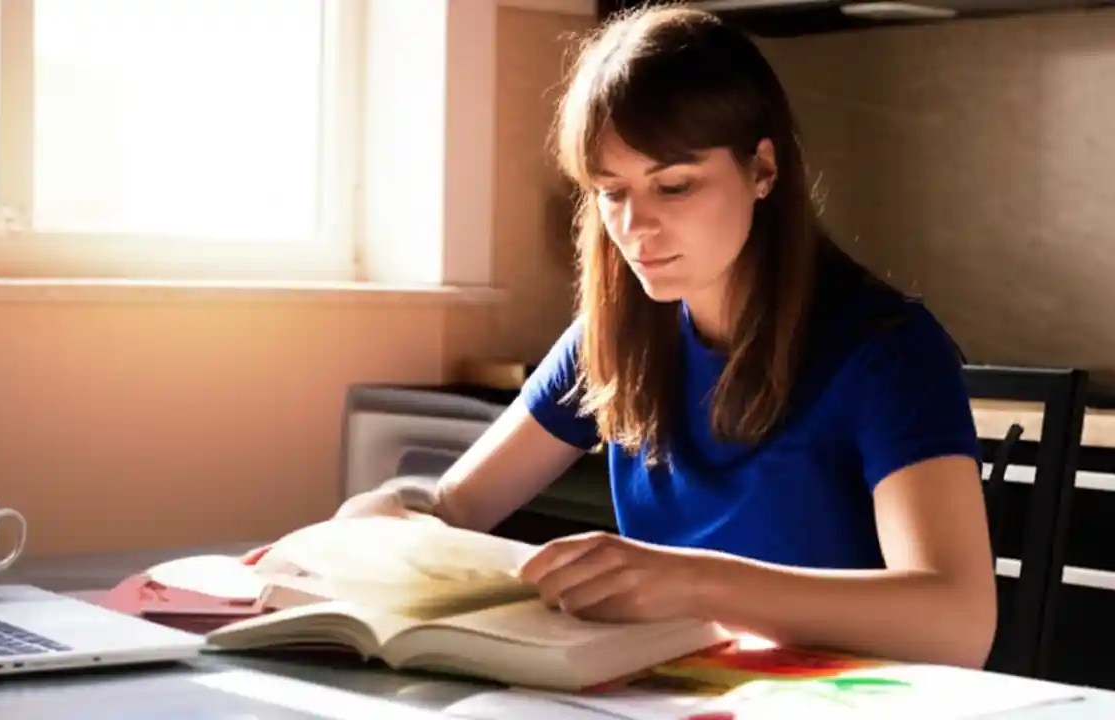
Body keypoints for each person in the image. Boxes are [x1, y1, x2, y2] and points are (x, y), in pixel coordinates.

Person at [335, 4, 995, 668]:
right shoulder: (615, 336)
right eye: (610, 191)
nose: (636, 227)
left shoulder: (887, 349)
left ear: (763, 170)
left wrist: (696, 582)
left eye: (673, 186)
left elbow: (958, 621)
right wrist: (395, 508)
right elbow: (456, 502)